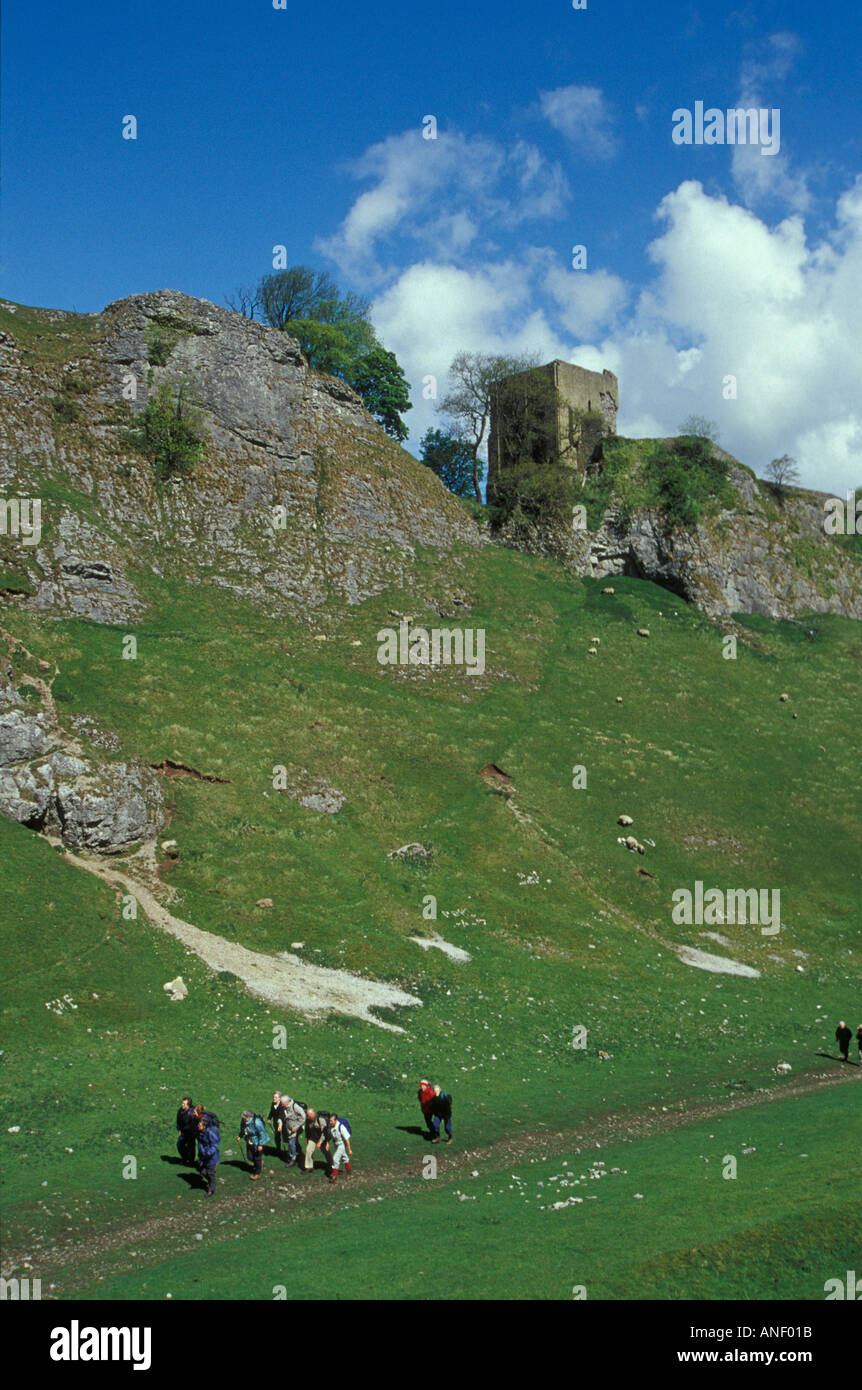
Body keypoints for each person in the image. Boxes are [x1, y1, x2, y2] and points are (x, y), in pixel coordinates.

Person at [237, 1110, 269, 1180]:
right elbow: (243, 1129)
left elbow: (262, 1133)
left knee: (257, 1157)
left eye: (244, 1118)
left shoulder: (257, 1122)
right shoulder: (244, 1121)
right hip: (249, 1140)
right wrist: (239, 1136)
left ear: (248, 1117)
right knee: (250, 1157)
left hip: (257, 1141)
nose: (243, 1119)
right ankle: (259, 1164)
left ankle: (257, 1173)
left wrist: (260, 1145)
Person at [196, 1114, 220, 1197]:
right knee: (202, 1171)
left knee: (210, 1173)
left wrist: (208, 1153)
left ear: (204, 1126)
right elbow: (200, 1144)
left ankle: (211, 1190)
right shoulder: (199, 1133)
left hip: (211, 1158)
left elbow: (214, 1145)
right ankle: (211, 1182)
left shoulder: (210, 1134)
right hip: (203, 1157)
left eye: (199, 1125)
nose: (198, 1126)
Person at [279, 1095, 307, 1165]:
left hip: (293, 1129)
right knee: (291, 1142)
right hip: (287, 1128)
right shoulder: (284, 1107)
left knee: (291, 1143)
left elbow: (303, 1117)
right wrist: (280, 1125)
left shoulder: (295, 1107)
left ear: (287, 1102)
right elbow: (281, 1116)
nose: (281, 1105)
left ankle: (293, 1158)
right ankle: (296, 1153)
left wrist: (297, 1126)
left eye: (282, 1103)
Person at [325, 1114, 353, 1184]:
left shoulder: (341, 1127)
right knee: (344, 1157)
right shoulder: (331, 1127)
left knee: (335, 1159)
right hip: (336, 1144)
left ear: (335, 1120)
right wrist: (327, 1143)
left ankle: (334, 1175)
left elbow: (346, 1139)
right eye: (330, 1121)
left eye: (331, 1121)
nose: (330, 1122)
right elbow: (330, 1136)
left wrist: (349, 1149)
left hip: (341, 1145)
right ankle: (348, 1169)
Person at [302, 1107, 330, 1173]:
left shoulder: (320, 1119)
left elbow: (324, 1132)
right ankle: (309, 1167)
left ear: (312, 1114)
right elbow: (307, 1129)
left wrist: (320, 1142)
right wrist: (307, 1138)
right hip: (313, 1138)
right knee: (308, 1150)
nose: (307, 1117)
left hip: (322, 1138)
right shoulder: (308, 1120)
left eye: (308, 1116)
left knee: (326, 1152)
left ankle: (331, 1165)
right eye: (307, 1116)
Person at [176, 1095, 197, 1165]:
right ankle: (185, 1158)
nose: (182, 1105)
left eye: (184, 1104)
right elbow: (178, 1121)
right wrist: (179, 1130)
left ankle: (191, 1161)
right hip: (183, 1132)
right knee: (180, 1145)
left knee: (191, 1147)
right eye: (182, 1103)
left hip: (191, 1132)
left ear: (188, 1105)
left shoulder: (192, 1112)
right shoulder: (180, 1111)